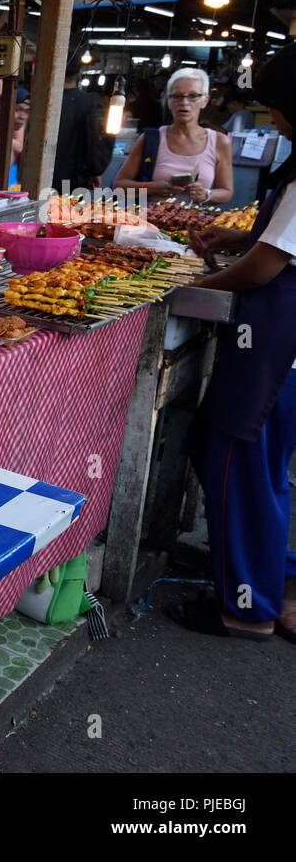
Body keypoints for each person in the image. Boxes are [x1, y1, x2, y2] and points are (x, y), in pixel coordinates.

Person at [169, 44, 296, 643]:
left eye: (277, 107)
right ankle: (251, 568)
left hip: (275, 346)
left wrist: (197, 283)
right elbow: (272, 244)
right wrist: (234, 237)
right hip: (275, 339)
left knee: (238, 458)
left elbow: (266, 267)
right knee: (227, 451)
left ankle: (245, 607)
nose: (273, 119)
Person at [113, 67, 234, 206]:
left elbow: (226, 192)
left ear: (205, 101)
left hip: (196, 224)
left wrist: (206, 194)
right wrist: (153, 188)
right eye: (177, 96)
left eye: (193, 96)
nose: (184, 103)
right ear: (169, 101)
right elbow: (119, 185)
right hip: (150, 225)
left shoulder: (219, 142)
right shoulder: (151, 139)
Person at [52, 59, 112, 194]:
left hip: (42, 178)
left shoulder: (45, 100)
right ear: (79, 73)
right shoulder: (90, 103)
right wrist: (95, 171)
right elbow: (95, 141)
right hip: (75, 181)